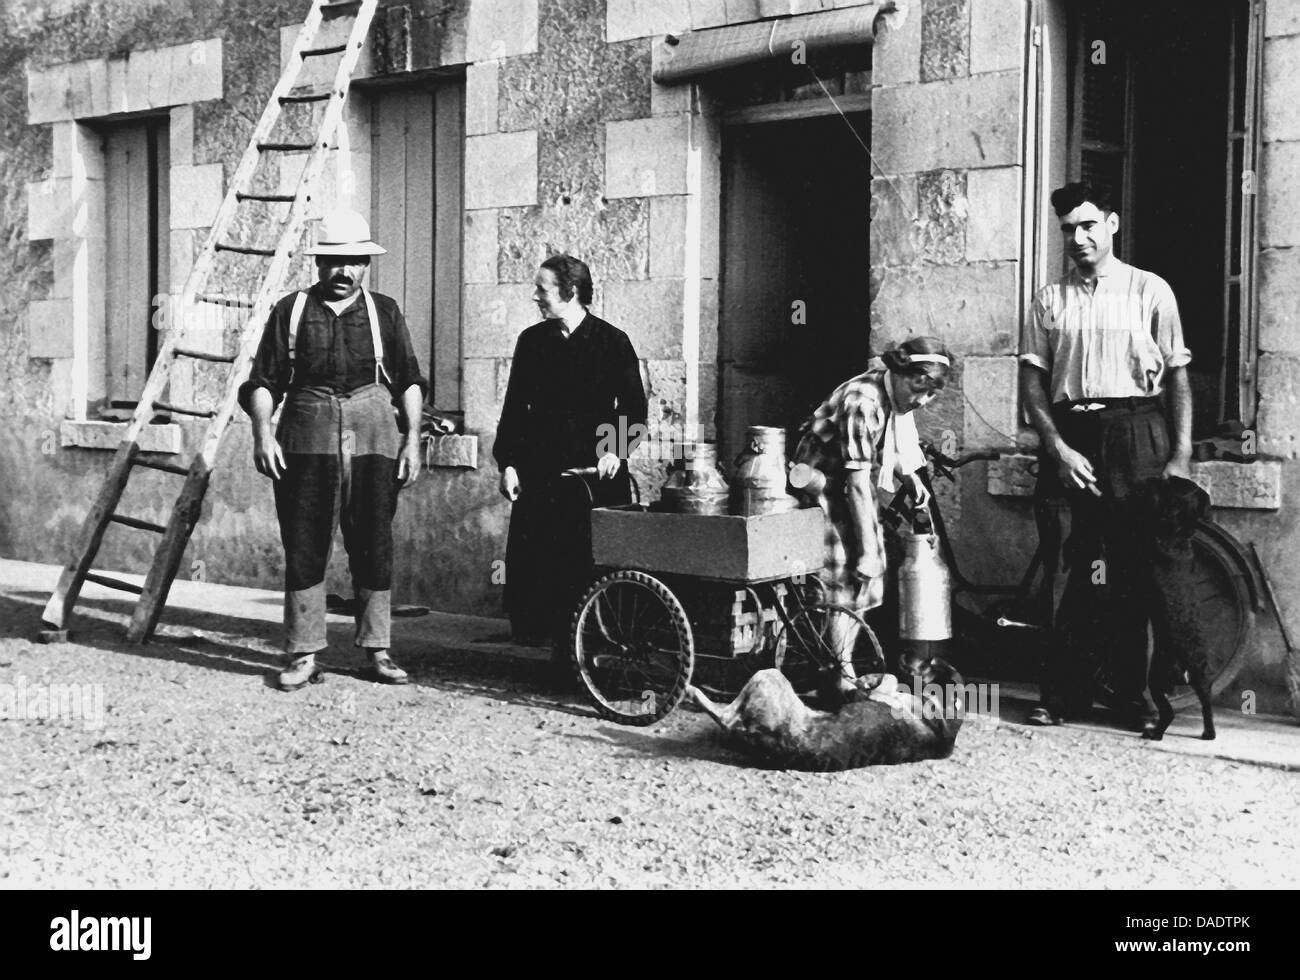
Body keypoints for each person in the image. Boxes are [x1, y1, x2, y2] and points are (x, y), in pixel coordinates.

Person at [1019, 180, 1195, 727]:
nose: (1078, 237)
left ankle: (1137, 698)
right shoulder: (1049, 300)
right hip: (1072, 437)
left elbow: (1179, 380)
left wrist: (1180, 454)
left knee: (1135, 569)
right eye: (1068, 228)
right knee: (1076, 565)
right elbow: (1032, 384)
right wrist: (1058, 448)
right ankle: (1062, 695)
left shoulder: (1150, 291)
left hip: (1137, 433)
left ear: (1112, 224)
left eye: (1088, 225)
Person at [239, 208, 427, 691]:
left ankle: (377, 649)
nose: (343, 272)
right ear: (318, 264)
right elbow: (263, 380)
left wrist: (411, 440)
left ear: (366, 264)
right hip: (308, 428)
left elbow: (407, 380)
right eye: (333, 262)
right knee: (304, 538)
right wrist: (263, 432)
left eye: (354, 262)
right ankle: (303, 653)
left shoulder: (384, 312)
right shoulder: (291, 310)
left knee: (373, 540)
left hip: (373, 431)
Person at [494, 254, 648, 650]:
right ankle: (553, 655)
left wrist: (614, 450)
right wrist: (508, 464)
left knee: (586, 571)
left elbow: (634, 410)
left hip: (595, 483)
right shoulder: (532, 342)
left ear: (571, 292)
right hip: (541, 479)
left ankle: (591, 655)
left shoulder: (613, 342)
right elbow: (514, 410)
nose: (535, 297)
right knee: (540, 571)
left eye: (542, 290)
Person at [790, 336, 954, 695]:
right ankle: (837, 671)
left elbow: (895, 447)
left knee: (869, 576)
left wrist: (910, 479)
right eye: (918, 388)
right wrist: (865, 550)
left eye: (931, 395)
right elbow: (858, 485)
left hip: (843, 487)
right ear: (898, 372)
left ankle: (841, 664)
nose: (921, 401)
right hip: (817, 485)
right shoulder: (863, 401)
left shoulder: (892, 399)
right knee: (846, 572)